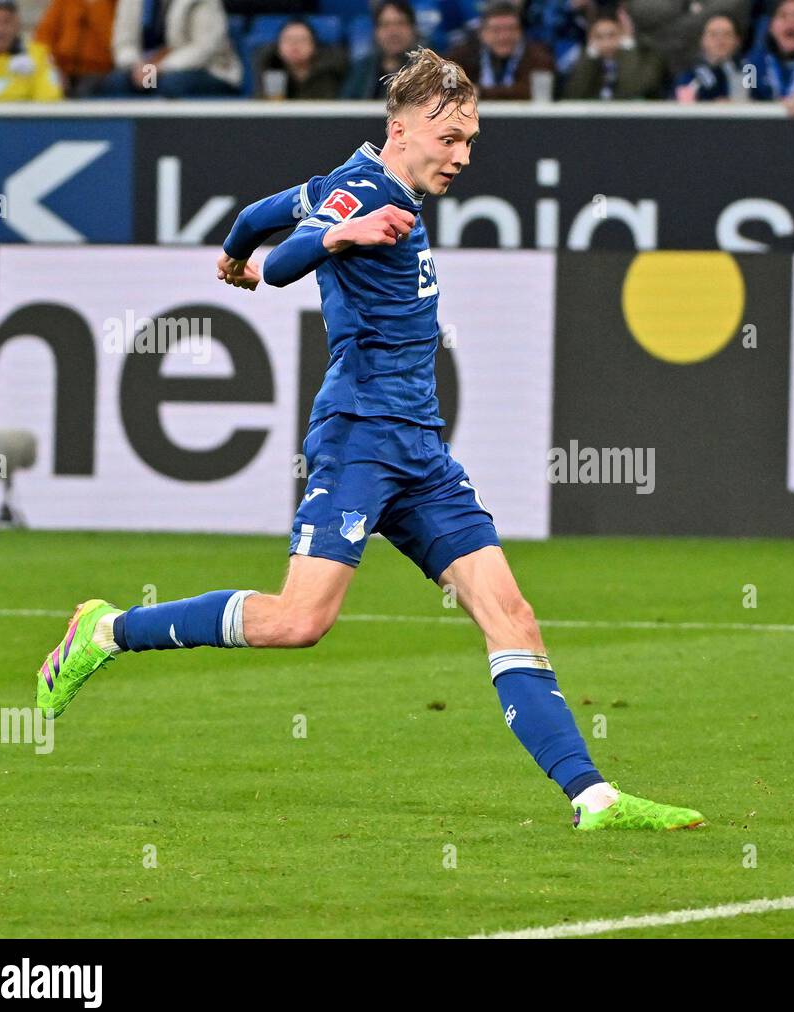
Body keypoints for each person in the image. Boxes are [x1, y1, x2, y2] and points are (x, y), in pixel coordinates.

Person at [35, 48, 705, 835]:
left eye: (470, 140)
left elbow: (260, 221)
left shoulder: (348, 181)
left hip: (421, 454)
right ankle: (106, 630)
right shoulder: (357, 193)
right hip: (358, 438)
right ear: (401, 128)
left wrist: (229, 257)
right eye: (448, 136)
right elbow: (287, 259)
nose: (461, 155)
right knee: (298, 622)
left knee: (511, 615)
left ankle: (595, 799)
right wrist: (339, 237)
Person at [98, 0, 242, 98]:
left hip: (207, 70)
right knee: (118, 82)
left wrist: (159, 67)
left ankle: (170, 138)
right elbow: (124, 42)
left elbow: (206, 47)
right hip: (147, 71)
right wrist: (136, 65)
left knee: (171, 84)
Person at [446, 2, 556, 99]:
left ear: (521, 32)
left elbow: (532, 91)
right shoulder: (462, 55)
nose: (504, 36)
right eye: (496, 30)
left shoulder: (539, 57)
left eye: (511, 29)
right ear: (482, 33)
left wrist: (481, 93)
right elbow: (446, 87)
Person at [562, 7, 666, 97]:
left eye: (612, 35)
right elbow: (573, 94)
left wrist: (627, 45)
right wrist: (591, 55)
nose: (606, 43)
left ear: (623, 34)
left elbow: (632, 90)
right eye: (599, 37)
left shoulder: (648, 57)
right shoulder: (583, 59)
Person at [34, 0, 116, 96]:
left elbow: (114, 42)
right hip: (62, 69)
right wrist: (54, 70)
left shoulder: (112, 4)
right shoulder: (63, 3)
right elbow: (42, 40)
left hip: (99, 72)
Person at [341, 0, 419, 100]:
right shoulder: (362, 69)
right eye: (385, 25)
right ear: (376, 32)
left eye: (401, 23)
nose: (393, 32)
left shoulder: (428, 70)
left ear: (413, 29)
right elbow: (344, 106)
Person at [253, 17, 346, 99]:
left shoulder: (332, 69)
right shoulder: (269, 66)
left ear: (314, 45)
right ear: (278, 46)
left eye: (302, 40)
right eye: (288, 40)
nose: (294, 45)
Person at [673, 12, 746, 101]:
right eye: (713, 35)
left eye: (727, 34)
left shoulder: (748, 70)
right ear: (703, 40)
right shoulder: (689, 74)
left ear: (737, 41)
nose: (720, 40)